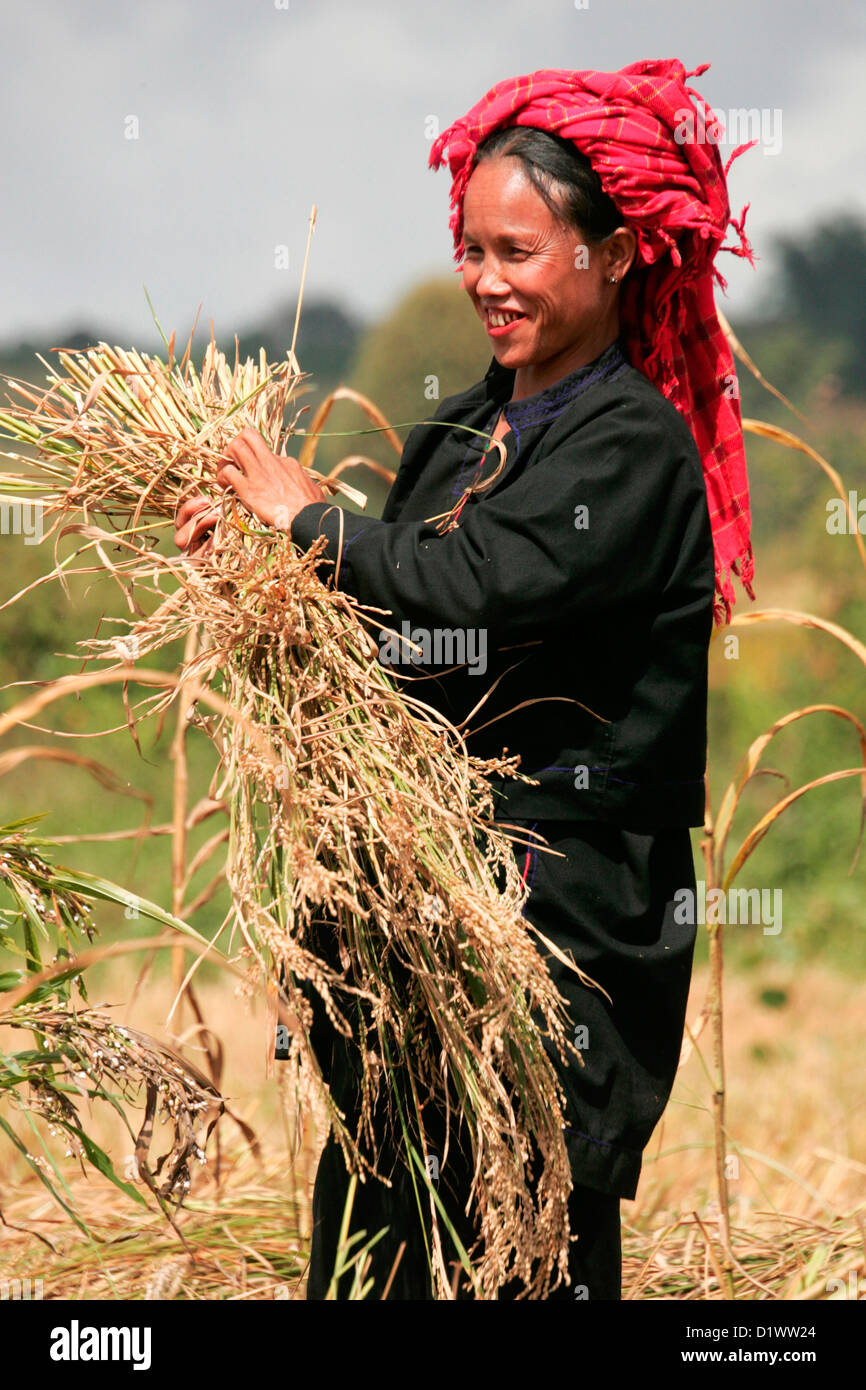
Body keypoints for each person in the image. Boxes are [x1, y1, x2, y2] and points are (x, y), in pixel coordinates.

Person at [174, 58, 756, 1300]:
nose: (488, 281)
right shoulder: (456, 438)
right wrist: (255, 571)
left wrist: (309, 527)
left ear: (610, 256)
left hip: (560, 921)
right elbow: (384, 622)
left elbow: (479, 588)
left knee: (527, 1239)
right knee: (373, 1228)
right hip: (420, 908)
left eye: (521, 251)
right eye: (472, 249)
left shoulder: (631, 446)